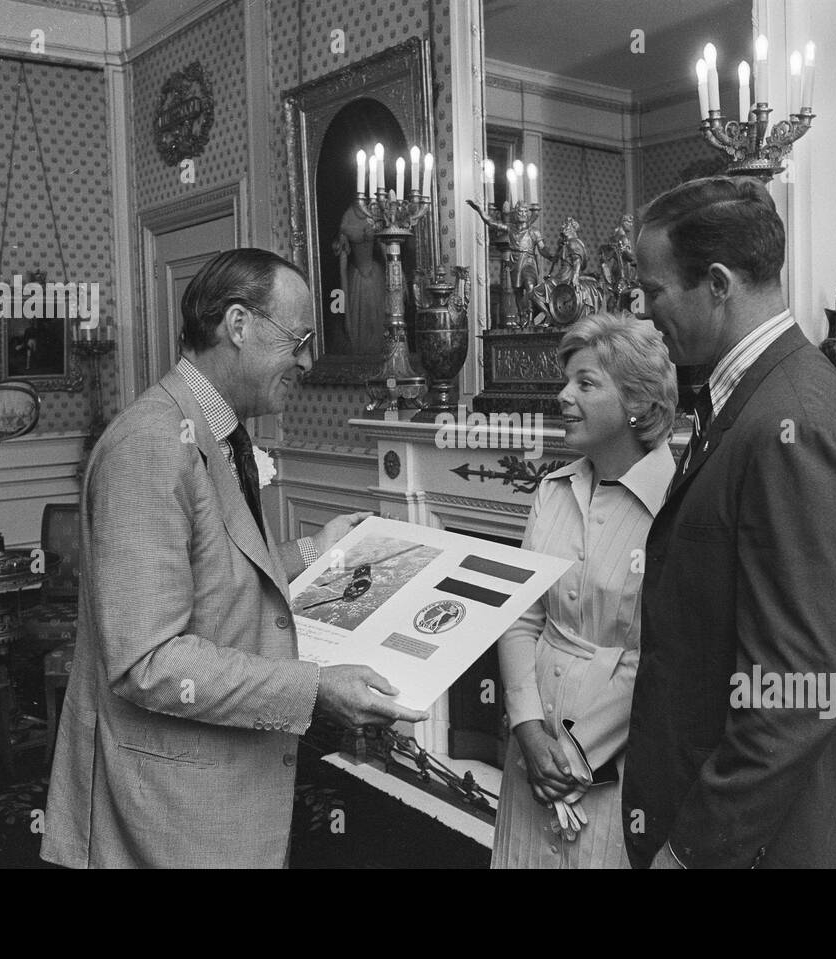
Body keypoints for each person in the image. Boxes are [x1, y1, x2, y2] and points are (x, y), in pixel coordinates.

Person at [40, 248, 426, 869]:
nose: (306, 360)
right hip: (166, 806)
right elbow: (148, 661)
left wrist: (310, 551)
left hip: (207, 786)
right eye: (297, 339)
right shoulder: (152, 443)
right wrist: (316, 688)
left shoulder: (215, 428)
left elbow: (211, 568)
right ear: (239, 326)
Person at [622, 177, 836, 869]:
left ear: (716, 282)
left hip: (776, 843)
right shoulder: (758, 394)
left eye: (654, 291)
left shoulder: (790, 417)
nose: (646, 314)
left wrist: (692, 851)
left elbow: (798, 689)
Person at [492, 312, 678, 869]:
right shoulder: (551, 491)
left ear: (638, 403)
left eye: (585, 383)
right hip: (532, 744)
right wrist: (526, 726)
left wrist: (573, 757)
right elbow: (521, 614)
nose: (563, 395)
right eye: (566, 379)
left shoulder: (679, 505)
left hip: (621, 761)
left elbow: (664, 654)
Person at [333, 203, 386, 354]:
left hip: (375, 277)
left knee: (377, 325)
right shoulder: (348, 217)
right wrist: (346, 318)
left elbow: (385, 251)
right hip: (356, 280)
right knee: (359, 330)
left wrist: (397, 274)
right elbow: (342, 269)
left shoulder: (373, 212)